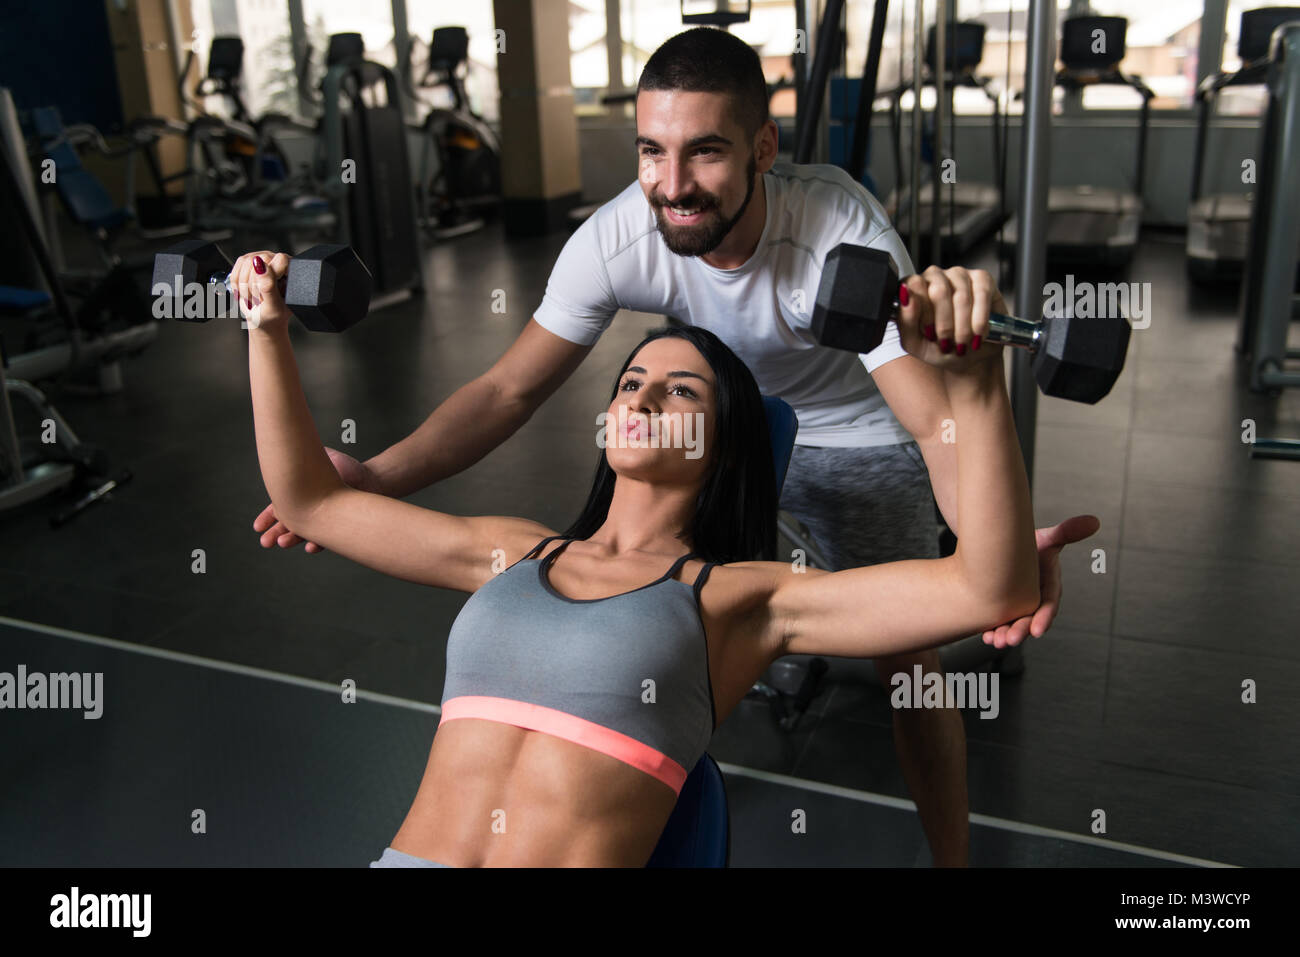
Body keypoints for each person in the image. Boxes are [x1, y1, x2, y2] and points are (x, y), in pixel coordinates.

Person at [248, 27, 1097, 866]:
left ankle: (953, 856)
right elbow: (507, 390)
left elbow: (932, 423)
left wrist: (992, 532)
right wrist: (378, 475)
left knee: (907, 661)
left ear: (765, 147)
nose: (673, 184)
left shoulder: (839, 235)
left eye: (706, 153)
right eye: (652, 151)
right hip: (714, 427)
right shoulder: (618, 240)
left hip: (854, 426)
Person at [232, 242, 1043, 867]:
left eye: (681, 391)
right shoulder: (511, 551)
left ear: (722, 446)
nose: (642, 396)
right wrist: (265, 328)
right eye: (629, 381)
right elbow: (313, 501)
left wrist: (976, 390)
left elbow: (988, 587)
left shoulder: (743, 597)